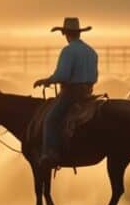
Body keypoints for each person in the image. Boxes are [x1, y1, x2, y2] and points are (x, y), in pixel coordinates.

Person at [33, 17, 99, 167]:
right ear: (79, 33)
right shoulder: (91, 51)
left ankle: (50, 153)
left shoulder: (68, 51)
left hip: (72, 93)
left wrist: (46, 81)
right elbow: (95, 76)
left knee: (51, 119)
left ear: (66, 34)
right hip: (88, 93)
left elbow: (62, 75)